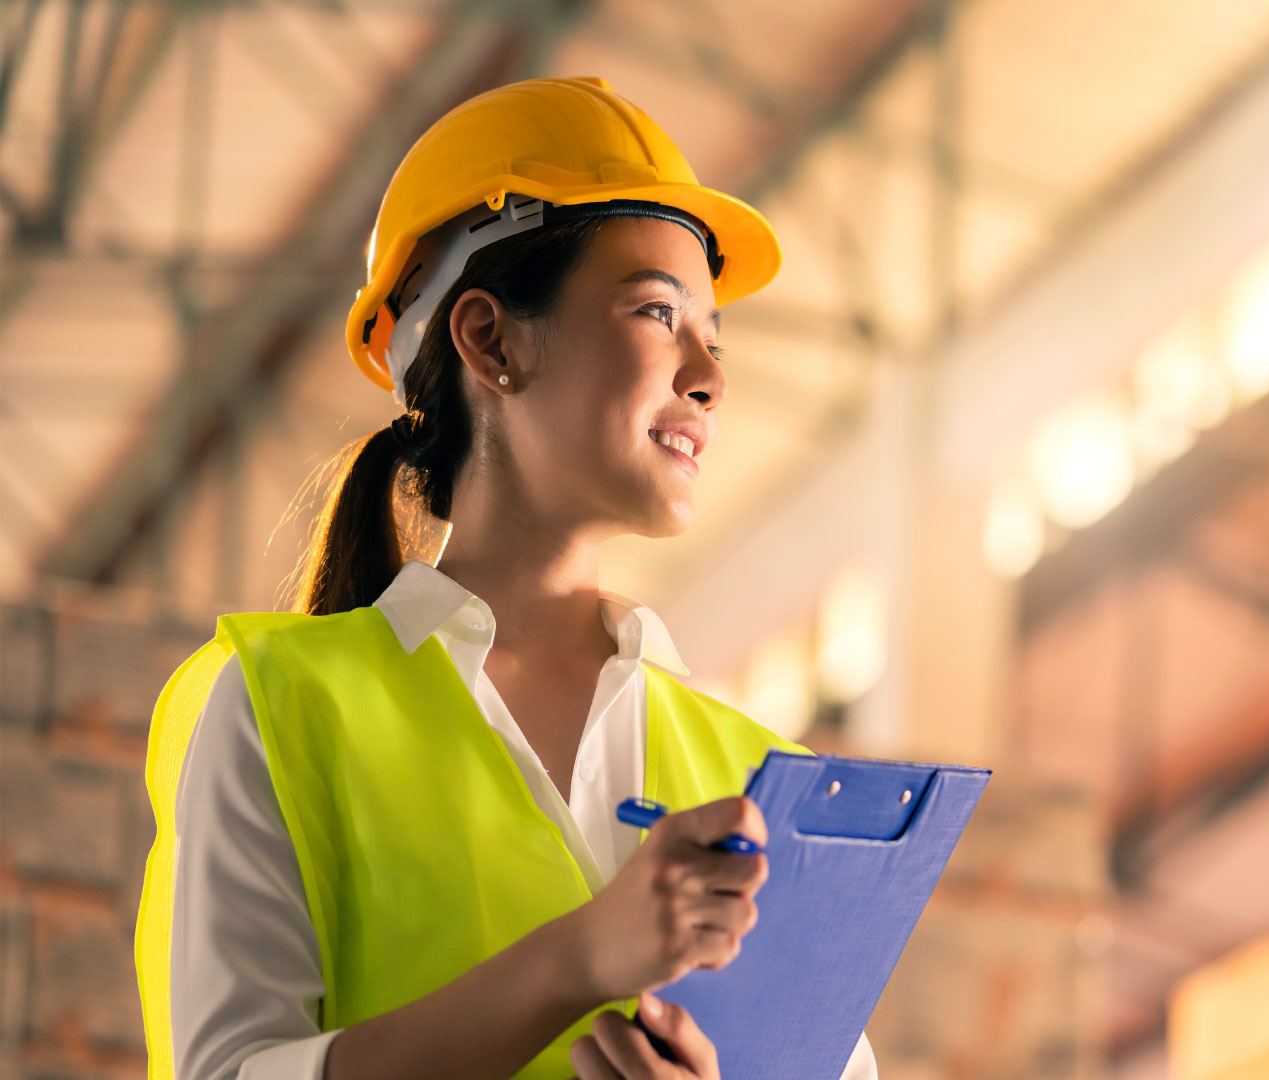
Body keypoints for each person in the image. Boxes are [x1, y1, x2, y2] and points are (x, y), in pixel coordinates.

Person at [131, 76, 880, 1080]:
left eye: (713, 335)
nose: (709, 376)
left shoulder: (760, 782)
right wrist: (578, 961)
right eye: (657, 312)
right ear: (488, 339)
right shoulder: (280, 708)